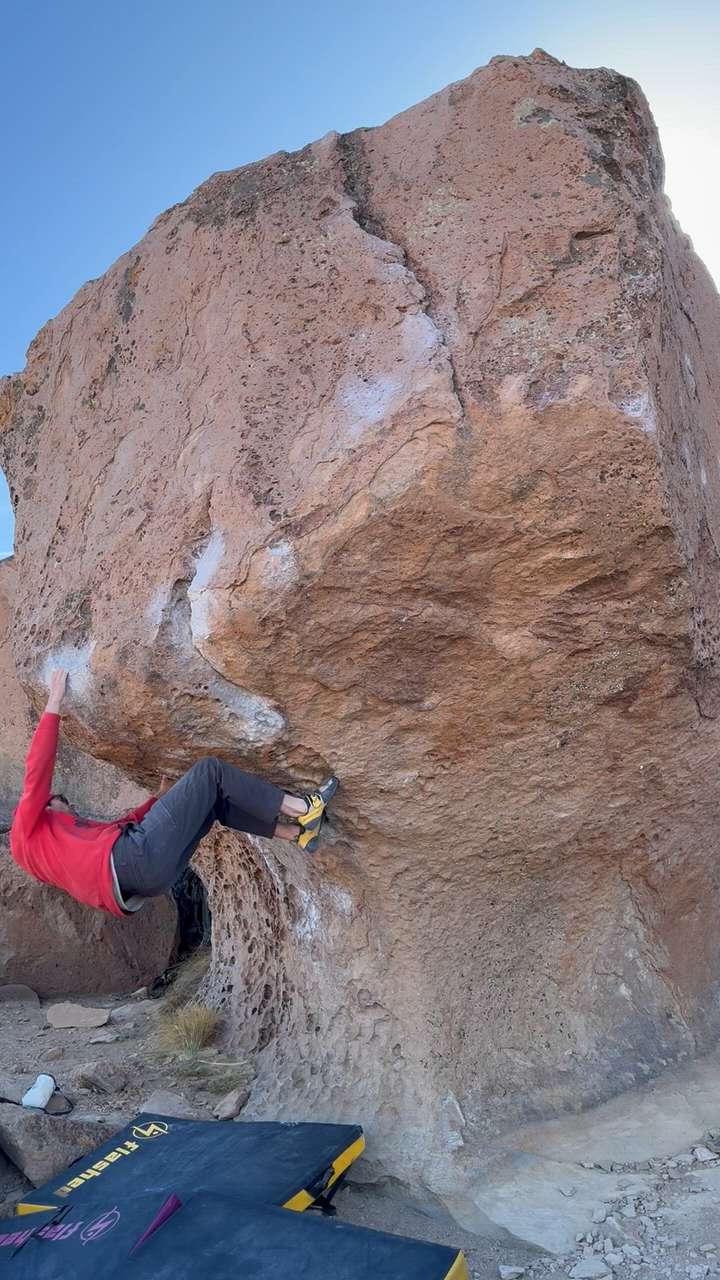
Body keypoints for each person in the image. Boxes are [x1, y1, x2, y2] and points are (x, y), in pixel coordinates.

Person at [10, 669, 337, 918]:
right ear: (46, 807)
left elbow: (119, 828)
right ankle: (302, 807)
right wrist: (54, 702)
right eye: (62, 802)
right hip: (133, 860)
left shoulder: (55, 855)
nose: (70, 808)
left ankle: (296, 834)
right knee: (210, 771)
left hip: (147, 881)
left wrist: (158, 799)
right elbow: (37, 774)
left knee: (213, 804)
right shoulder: (25, 834)